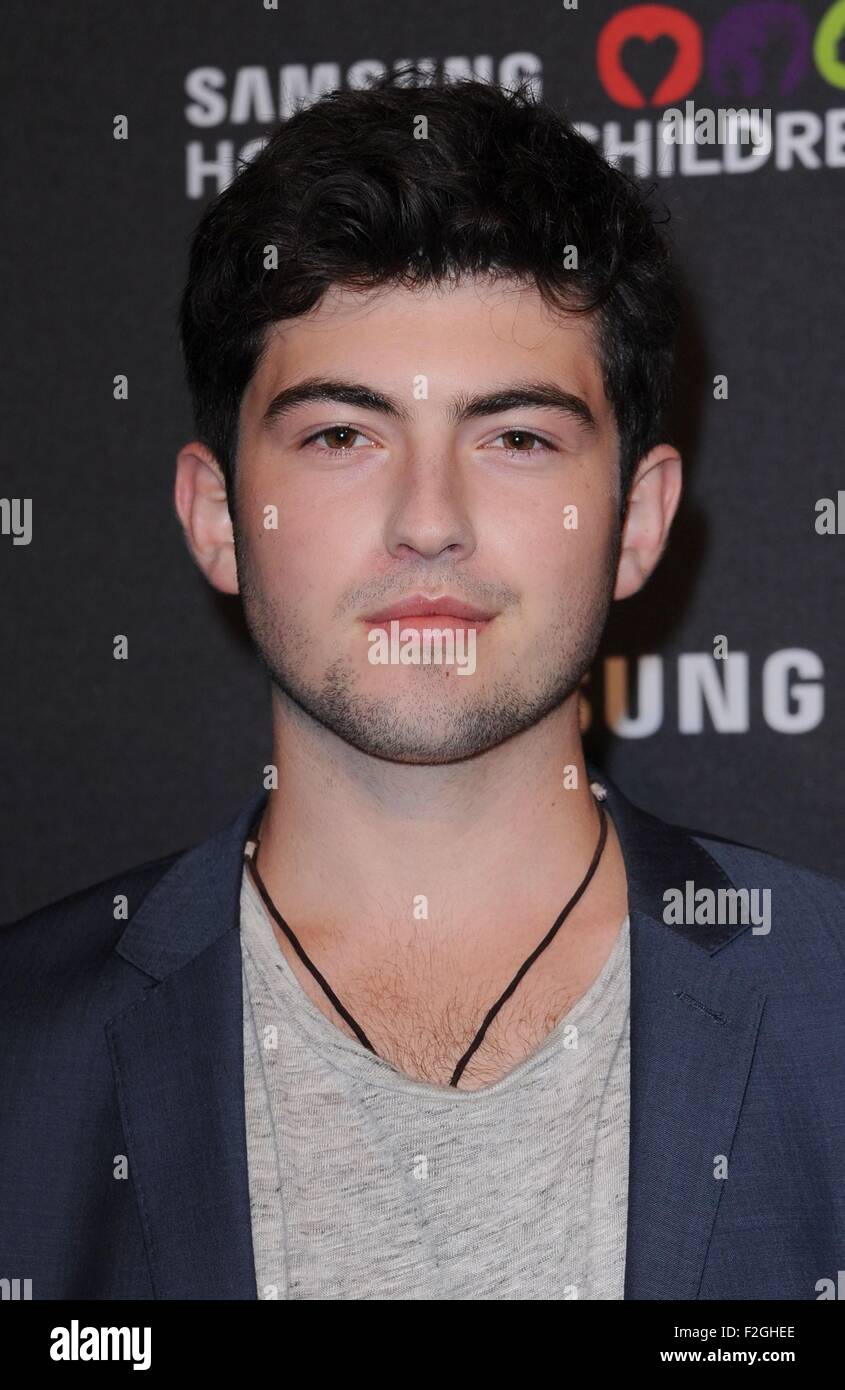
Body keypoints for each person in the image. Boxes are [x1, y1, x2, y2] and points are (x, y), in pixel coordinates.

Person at [2, 67, 843, 1303]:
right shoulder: (23, 1062)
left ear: (635, 521)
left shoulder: (826, 1011)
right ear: (218, 516)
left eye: (516, 437)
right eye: (342, 434)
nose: (428, 521)